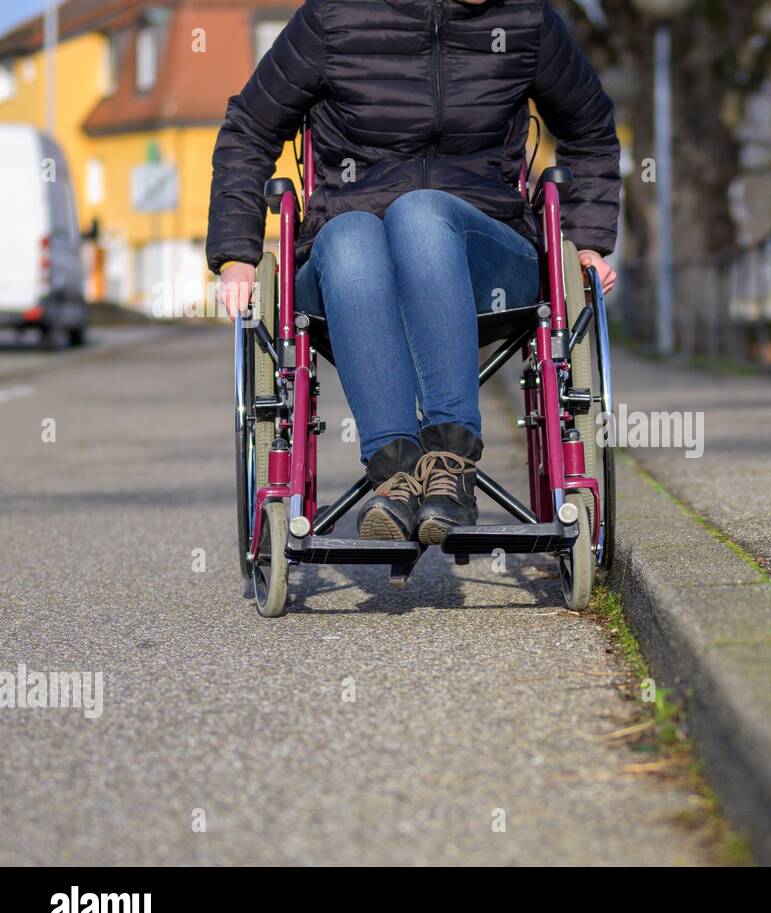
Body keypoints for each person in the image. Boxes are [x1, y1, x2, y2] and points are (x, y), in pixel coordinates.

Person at [207, 0, 619, 544]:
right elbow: (250, 128)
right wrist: (237, 253)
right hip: (345, 259)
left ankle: (449, 464)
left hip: (485, 258)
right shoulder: (336, 17)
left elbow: (590, 129)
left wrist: (586, 241)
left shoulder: (526, 22)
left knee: (420, 213)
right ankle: (395, 475)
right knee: (355, 236)